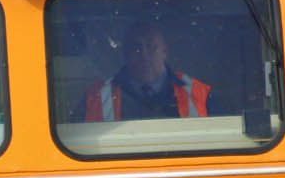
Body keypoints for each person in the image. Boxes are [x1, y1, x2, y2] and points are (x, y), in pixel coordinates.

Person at [84, 23, 215, 121]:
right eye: (136, 48)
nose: (144, 55)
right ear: (125, 54)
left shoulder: (200, 95)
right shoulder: (95, 98)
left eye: (152, 47)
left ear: (165, 52)